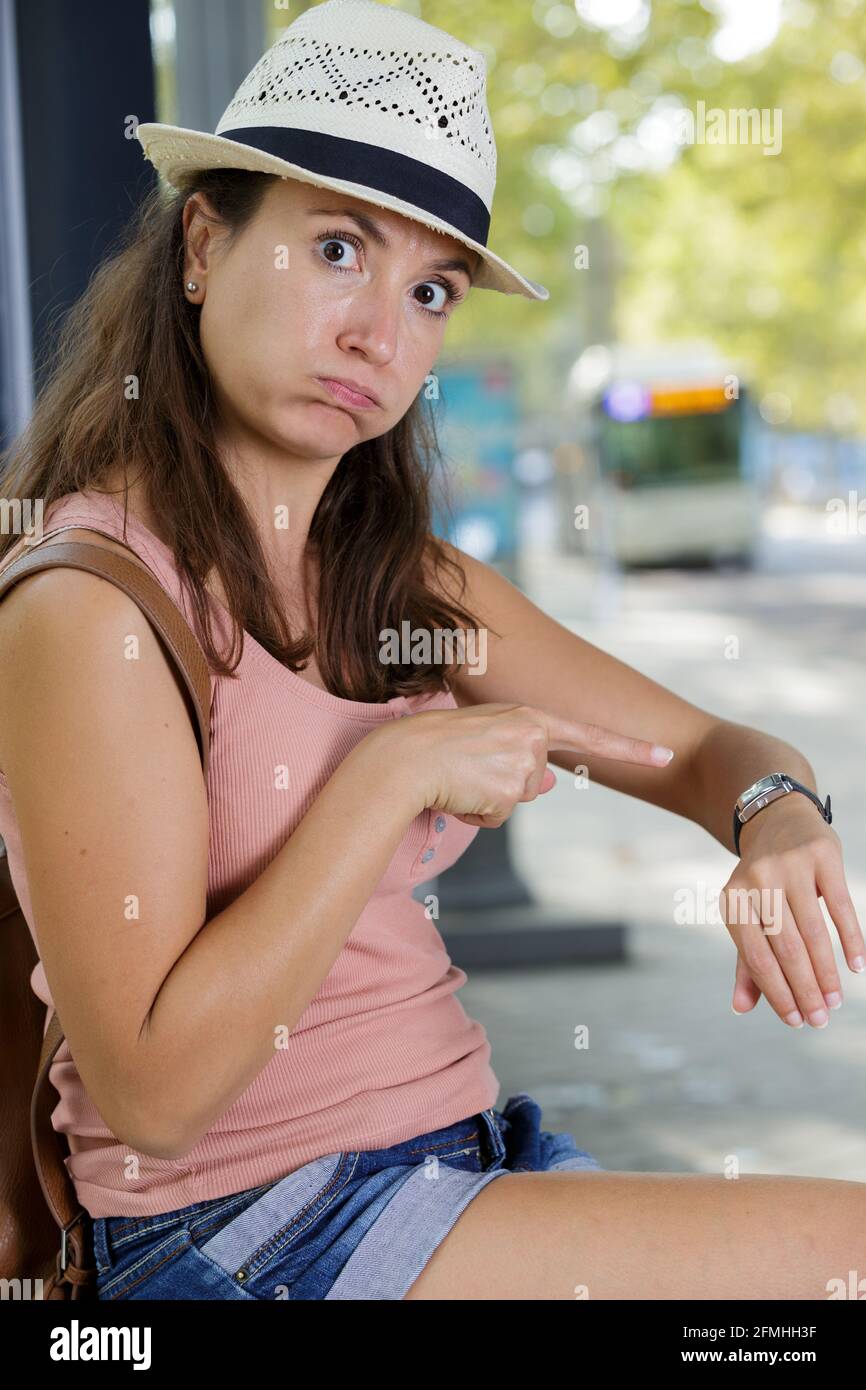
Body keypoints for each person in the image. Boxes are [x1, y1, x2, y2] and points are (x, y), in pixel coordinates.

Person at [0, 0, 863, 1302]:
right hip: (242, 1229)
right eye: (334, 247)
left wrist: (773, 813)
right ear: (201, 242)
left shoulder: (398, 576)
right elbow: (158, 1096)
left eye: (428, 291)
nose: (377, 334)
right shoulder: (91, 604)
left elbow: (694, 749)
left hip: (457, 1166)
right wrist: (388, 775)